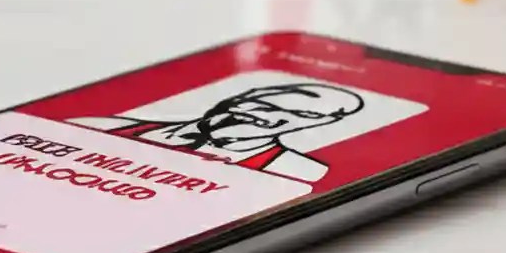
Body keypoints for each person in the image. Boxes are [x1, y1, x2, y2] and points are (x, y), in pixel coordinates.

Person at [69, 83, 364, 183]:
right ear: (239, 96)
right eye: (262, 103)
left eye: (302, 114)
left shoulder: (300, 175)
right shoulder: (94, 128)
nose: (268, 115)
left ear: (318, 124)